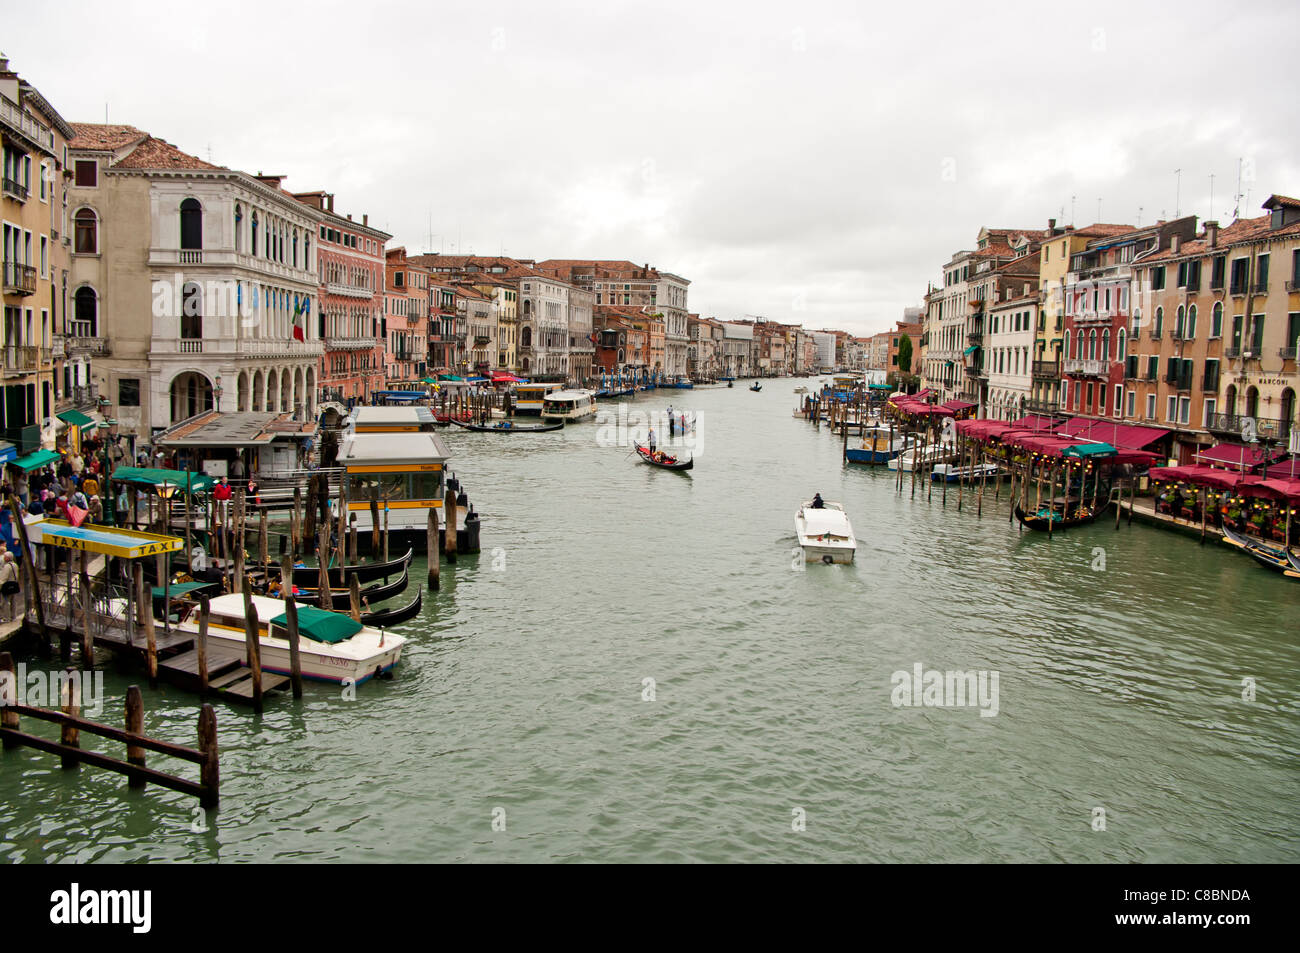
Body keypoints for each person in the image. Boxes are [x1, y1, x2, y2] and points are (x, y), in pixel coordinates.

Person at [0, 552, 19, 622]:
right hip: (14, 585)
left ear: (8, 558)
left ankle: (6, 618)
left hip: (7, 587)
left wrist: (0, 586)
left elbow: (3, 578)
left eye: (5, 557)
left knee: (5, 602)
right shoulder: (15, 565)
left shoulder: (6, 566)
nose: (4, 558)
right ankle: (13, 616)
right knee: (13, 602)